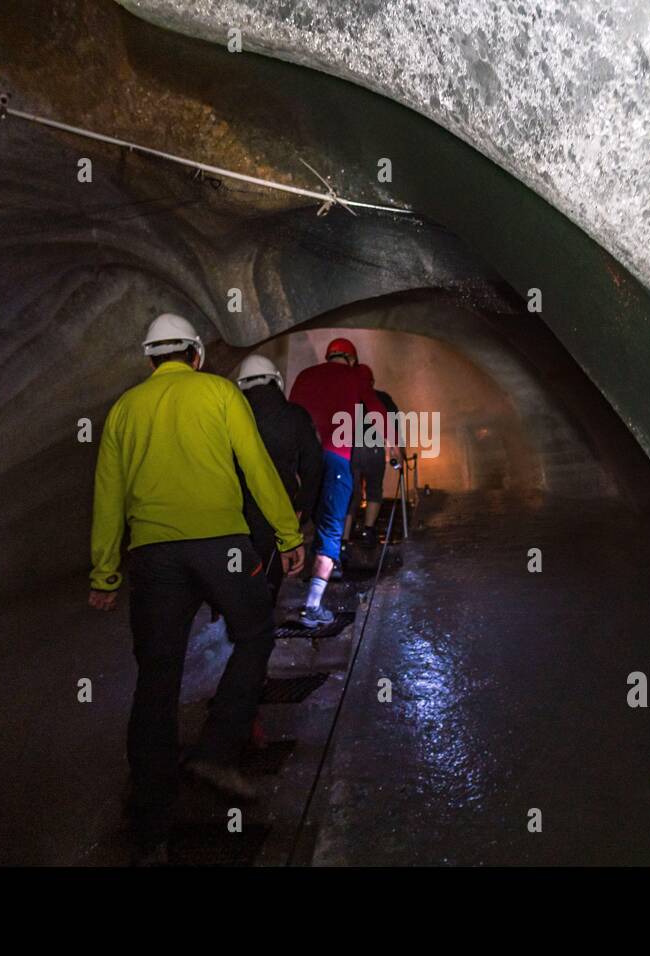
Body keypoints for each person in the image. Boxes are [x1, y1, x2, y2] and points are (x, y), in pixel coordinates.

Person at [87, 313, 304, 865]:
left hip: (153, 556)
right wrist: (287, 533)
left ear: (149, 359)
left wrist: (105, 574)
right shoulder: (220, 394)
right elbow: (256, 467)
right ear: (195, 355)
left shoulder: (124, 410)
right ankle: (215, 747)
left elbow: (108, 498)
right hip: (223, 546)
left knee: (157, 679)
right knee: (254, 633)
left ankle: (151, 827)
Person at [288, 337, 387, 627]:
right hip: (335, 456)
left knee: (301, 518)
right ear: (352, 359)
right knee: (332, 525)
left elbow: (292, 413)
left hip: (303, 460)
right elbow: (377, 411)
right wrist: (393, 444)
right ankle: (312, 606)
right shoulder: (355, 376)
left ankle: (275, 586)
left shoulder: (305, 375)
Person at [234, 354, 323, 603]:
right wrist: (301, 510)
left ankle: (232, 618)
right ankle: (260, 624)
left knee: (237, 570)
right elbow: (313, 465)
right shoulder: (295, 415)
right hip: (279, 509)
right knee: (270, 572)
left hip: (235, 510)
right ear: (277, 381)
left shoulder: (230, 414)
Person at [343, 364, 400, 546]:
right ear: (372, 382)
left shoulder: (345, 398)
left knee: (351, 493)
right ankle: (368, 531)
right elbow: (393, 423)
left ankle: (344, 538)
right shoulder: (382, 398)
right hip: (374, 449)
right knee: (374, 489)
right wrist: (395, 448)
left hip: (349, 450)